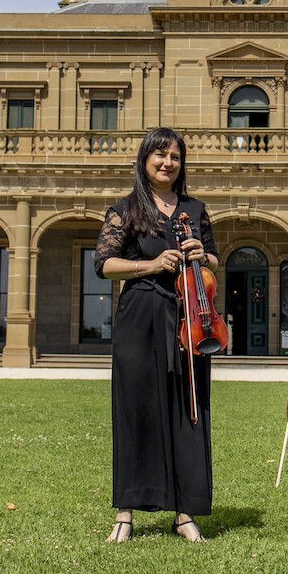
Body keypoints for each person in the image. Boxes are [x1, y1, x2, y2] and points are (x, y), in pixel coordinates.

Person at [93, 127, 217, 544]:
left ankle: (184, 513)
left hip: (188, 317)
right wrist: (149, 265)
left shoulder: (195, 209)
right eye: (160, 155)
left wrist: (204, 254)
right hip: (140, 316)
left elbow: (214, 258)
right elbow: (105, 264)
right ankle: (126, 513)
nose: (167, 163)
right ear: (145, 160)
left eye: (175, 157)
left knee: (188, 410)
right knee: (136, 410)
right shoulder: (126, 210)